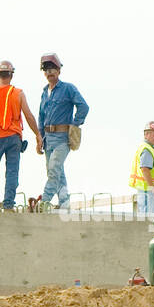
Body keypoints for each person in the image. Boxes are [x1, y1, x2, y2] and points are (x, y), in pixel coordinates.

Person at [0, 61, 42, 212]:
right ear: (11, 75)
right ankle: (9, 206)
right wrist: (38, 134)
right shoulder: (18, 93)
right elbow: (29, 116)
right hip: (13, 137)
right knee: (12, 172)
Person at [35, 53, 88, 210]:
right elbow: (41, 116)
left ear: (59, 70)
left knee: (54, 170)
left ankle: (44, 201)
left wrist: (74, 126)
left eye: (52, 68)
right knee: (57, 172)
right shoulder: (45, 92)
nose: (49, 72)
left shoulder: (68, 89)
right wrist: (40, 138)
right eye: (46, 69)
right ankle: (64, 203)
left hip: (62, 138)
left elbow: (83, 107)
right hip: (48, 138)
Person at [128, 121, 154, 218]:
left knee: (148, 219)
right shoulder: (147, 150)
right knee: (150, 220)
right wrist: (152, 187)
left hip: (147, 191)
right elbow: (145, 169)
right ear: (146, 134)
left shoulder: (148, 149)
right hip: (148, 192)